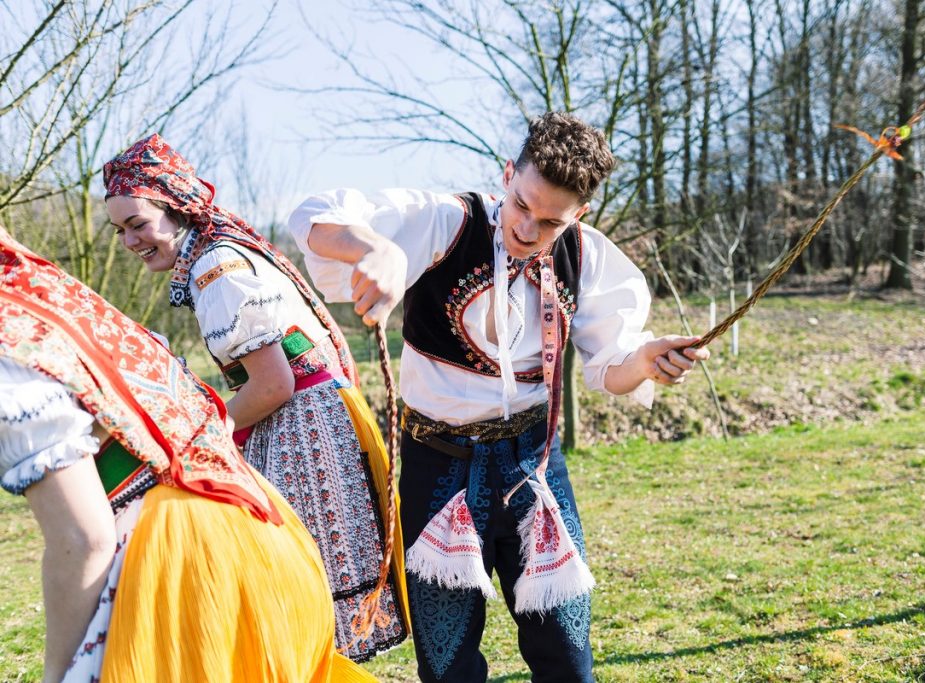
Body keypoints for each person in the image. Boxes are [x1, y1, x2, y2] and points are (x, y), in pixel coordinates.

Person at [287, 111, 711, 683]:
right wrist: (375, 250)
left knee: (566, 645)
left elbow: (610, 366)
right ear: (508, 175)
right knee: (447, 656)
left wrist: (644, 361)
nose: (529, 229)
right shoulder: (446, 223)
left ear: (579, 215)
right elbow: (313, 215)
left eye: (551, 221)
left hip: (533, 463)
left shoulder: (585, 256)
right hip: (438, 463)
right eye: (521, 204)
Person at [0, 227, 375, 682]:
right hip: (270, 540)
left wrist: (57, 672)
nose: (128, 240)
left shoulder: (12, 350)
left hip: (193, 566)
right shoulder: (58, 300)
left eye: (136, 224)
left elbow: (84, 541)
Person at [102, 135, 409, 662]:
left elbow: (272, 385)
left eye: (138, 224)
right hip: (311, 418)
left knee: (297, 603)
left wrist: (198, 436)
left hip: (300, 432)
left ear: (176, 208)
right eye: (120, 230)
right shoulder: (220, 253)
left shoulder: (216, 269)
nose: (130, 241)